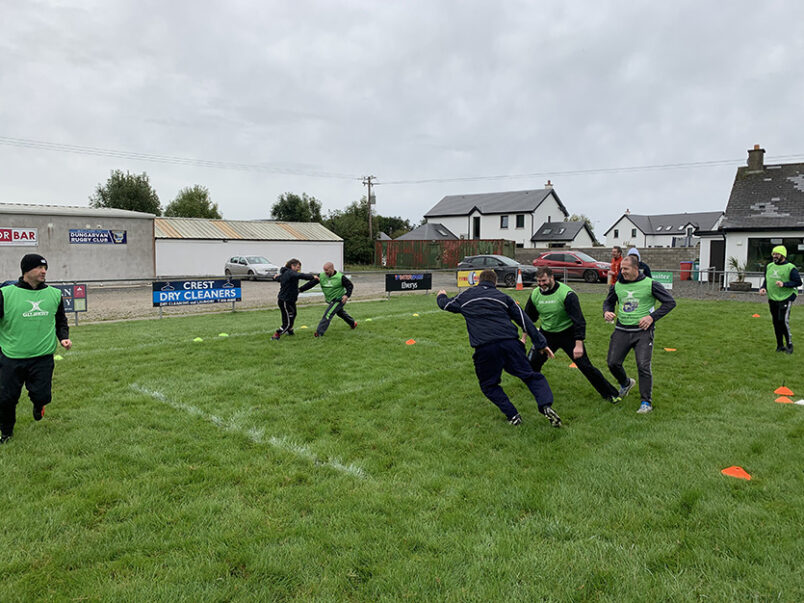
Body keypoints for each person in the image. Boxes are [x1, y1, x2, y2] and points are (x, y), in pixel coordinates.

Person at [437, 269, 562, 427]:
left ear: (478, 280)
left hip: (485, 348)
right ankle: (546, 405)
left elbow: (446, 304)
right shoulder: (504, 297)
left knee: (489, 385)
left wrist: (440, 295)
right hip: (511, 344)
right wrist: (541, 344)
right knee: (531, 375)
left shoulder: (466, 296)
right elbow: (525, 320)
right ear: (495, 282)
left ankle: (513, 415)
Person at [0, 254, 72, 444]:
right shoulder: (5, 294)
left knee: (43, 395)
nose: (44, 272)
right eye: (39, 268)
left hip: (42, 357)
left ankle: (38, 404)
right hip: (11, 356)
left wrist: (63, 337)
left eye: (45, 268)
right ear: (26, 270)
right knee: (6, 399)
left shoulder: (54, 294)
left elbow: (60, 321)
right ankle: (6, 433)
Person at [525, 266, 620, 403]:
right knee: (532, 364)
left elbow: (579, 321)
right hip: (547, 334)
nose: (541, 284)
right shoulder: (535, 294)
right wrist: (528, 336)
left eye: (544, 280)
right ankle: (538, 390)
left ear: (552, 277)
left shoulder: (567, 294)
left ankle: (611, 394)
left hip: (568, 334)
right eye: (539, 281)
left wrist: (578, 344)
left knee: (585, 366)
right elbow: (529, 318)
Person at [603, 255, 675, 414]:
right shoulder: (617, 286)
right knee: (612, 363)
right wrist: (607, 312)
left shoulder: (650, 284)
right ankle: (626, 383)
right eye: (621, 268)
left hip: (642, 332)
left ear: (636, 268)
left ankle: (646, 403)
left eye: (626, 269)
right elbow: (608, 302)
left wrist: (651, 317)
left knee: (643, 366)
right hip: (621, 330)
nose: (622, 272)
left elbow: (670, 302)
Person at [758, 245, 801, 354]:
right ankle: (780, 345)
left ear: (783, 255)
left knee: (783, 321)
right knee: (776, 322)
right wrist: (763, 288)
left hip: (786, 298)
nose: (775, 256)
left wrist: (784, 284)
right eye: (774, 254)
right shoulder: (769, 266)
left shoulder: (790, 268)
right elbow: (767, 279)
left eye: (777, 254)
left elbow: (798, 282)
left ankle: (789, 345)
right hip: (773, 298)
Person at [271, 259, 319, 340]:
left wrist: (275, 277)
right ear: (292, 266)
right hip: (285, 301)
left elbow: (279, 278)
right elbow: (300, 275)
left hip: (291, 300)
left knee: (294, 314)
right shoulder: (290, 272)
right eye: (298, 267)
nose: (298, 269)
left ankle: (289, 330)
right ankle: (276, 335)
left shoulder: (287, 273)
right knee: (287, 321)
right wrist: (312, 277)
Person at [307, 262, 356, 337]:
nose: (325, 272)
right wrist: (300, 289)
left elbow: (350, 285)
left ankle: (319, 333)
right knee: (340, 313)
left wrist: (346, 295)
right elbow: (311, 284)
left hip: (339, 299)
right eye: (324, 270)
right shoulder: (321, 276)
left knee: (328, 314)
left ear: (332, 269)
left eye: (327, 270)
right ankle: (352, 323)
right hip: (330, 299)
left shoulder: (340, 277)